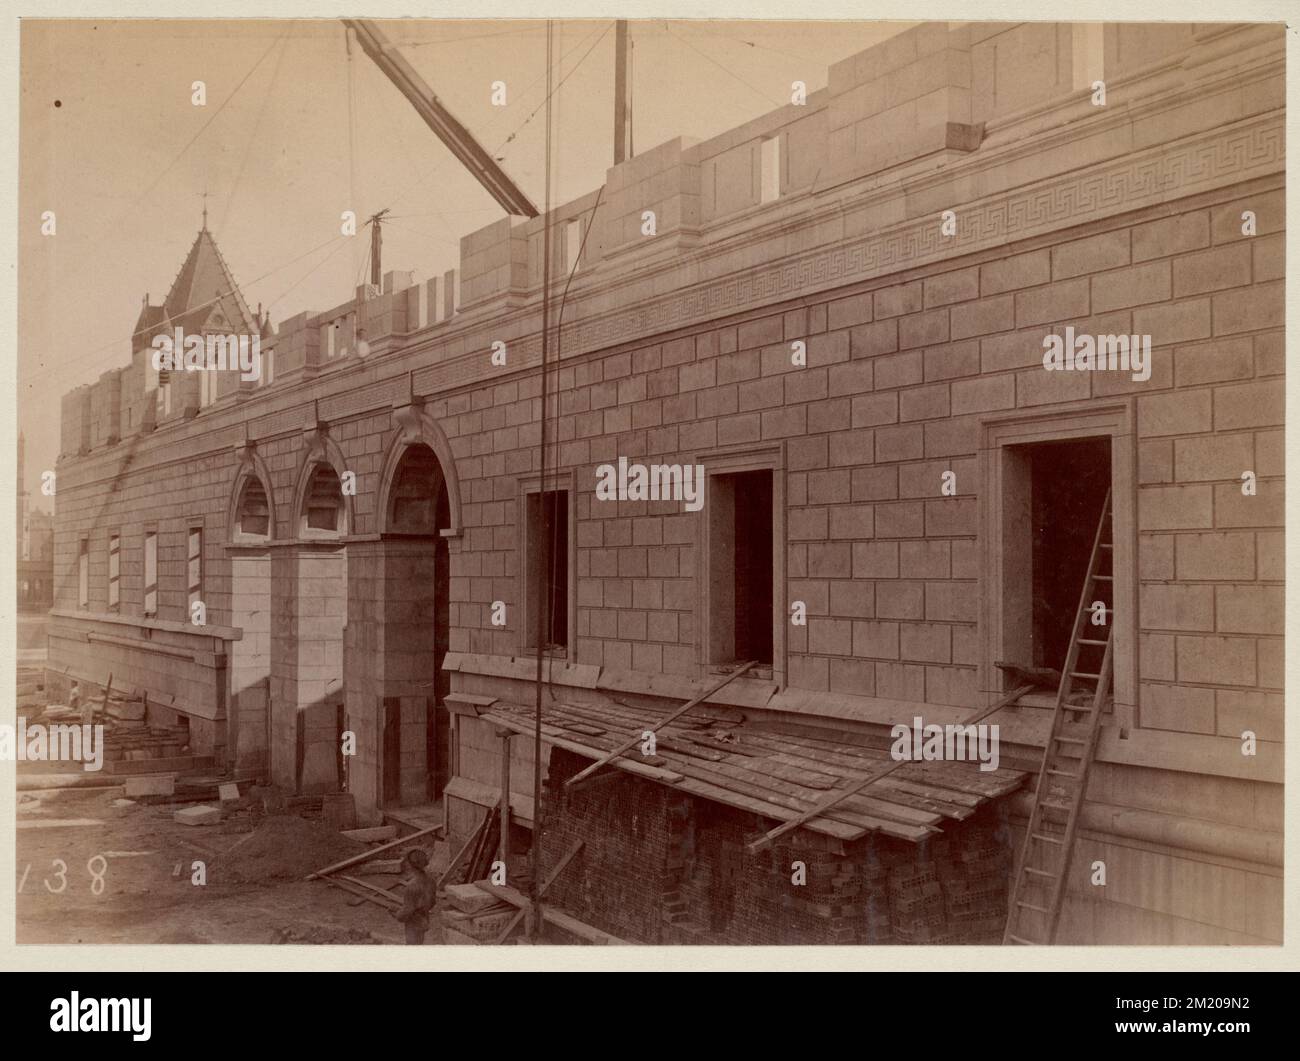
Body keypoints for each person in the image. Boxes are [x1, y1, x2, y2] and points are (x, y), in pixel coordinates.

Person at [392, 849, 435, 944]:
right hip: (424, 918)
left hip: (413, 923)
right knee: (419, 943)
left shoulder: (411, 887)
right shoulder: (431, 881)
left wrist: (397, 914)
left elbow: (408, 910)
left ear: (409, 865)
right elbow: (432, 902)